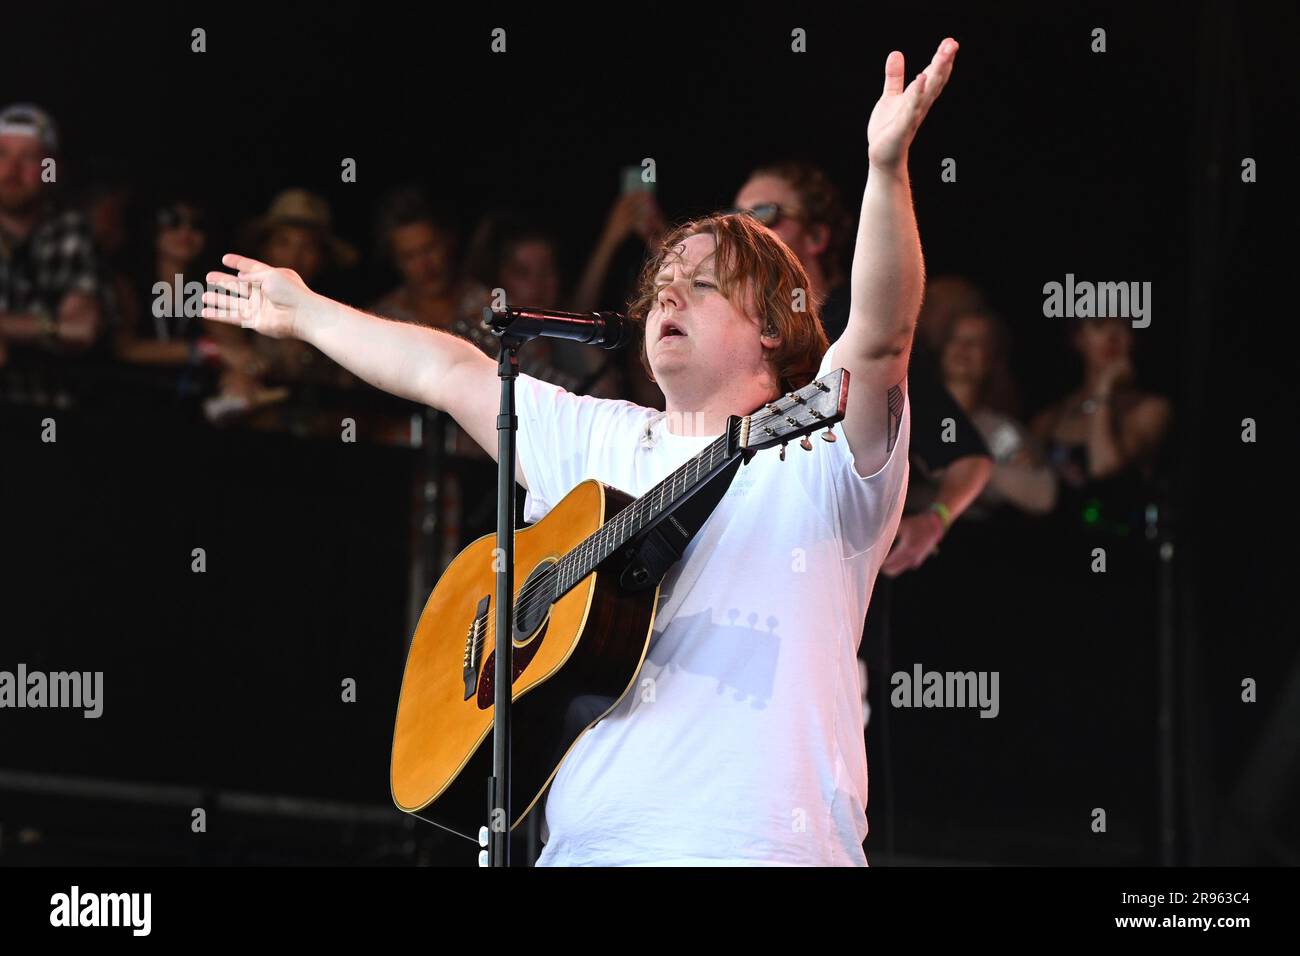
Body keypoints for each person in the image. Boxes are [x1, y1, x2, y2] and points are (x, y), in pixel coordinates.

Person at [203, 38, 960, 866]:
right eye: (665, 279)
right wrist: (306, 313)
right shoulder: (597, 438)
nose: (670, 289)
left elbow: (883, 336)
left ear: (774, 329)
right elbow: (444, 368)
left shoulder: (818, 458)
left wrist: (885, 169)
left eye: (704, 283)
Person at [0, 103, 102, 365]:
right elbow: (65, 329)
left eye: (30, 157)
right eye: (2, 154)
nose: (12, 170)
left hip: (48, 398)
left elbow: (80, 330)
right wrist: (49, 326)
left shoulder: (69, 228)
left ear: (50, 169)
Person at [938, 308, 1056, 516]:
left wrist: (976, 467)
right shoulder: (909, 413)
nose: (964, 348)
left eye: (977, 342)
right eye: (955, 339)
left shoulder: (998, 430)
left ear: (991, 360)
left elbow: (1043, 496)